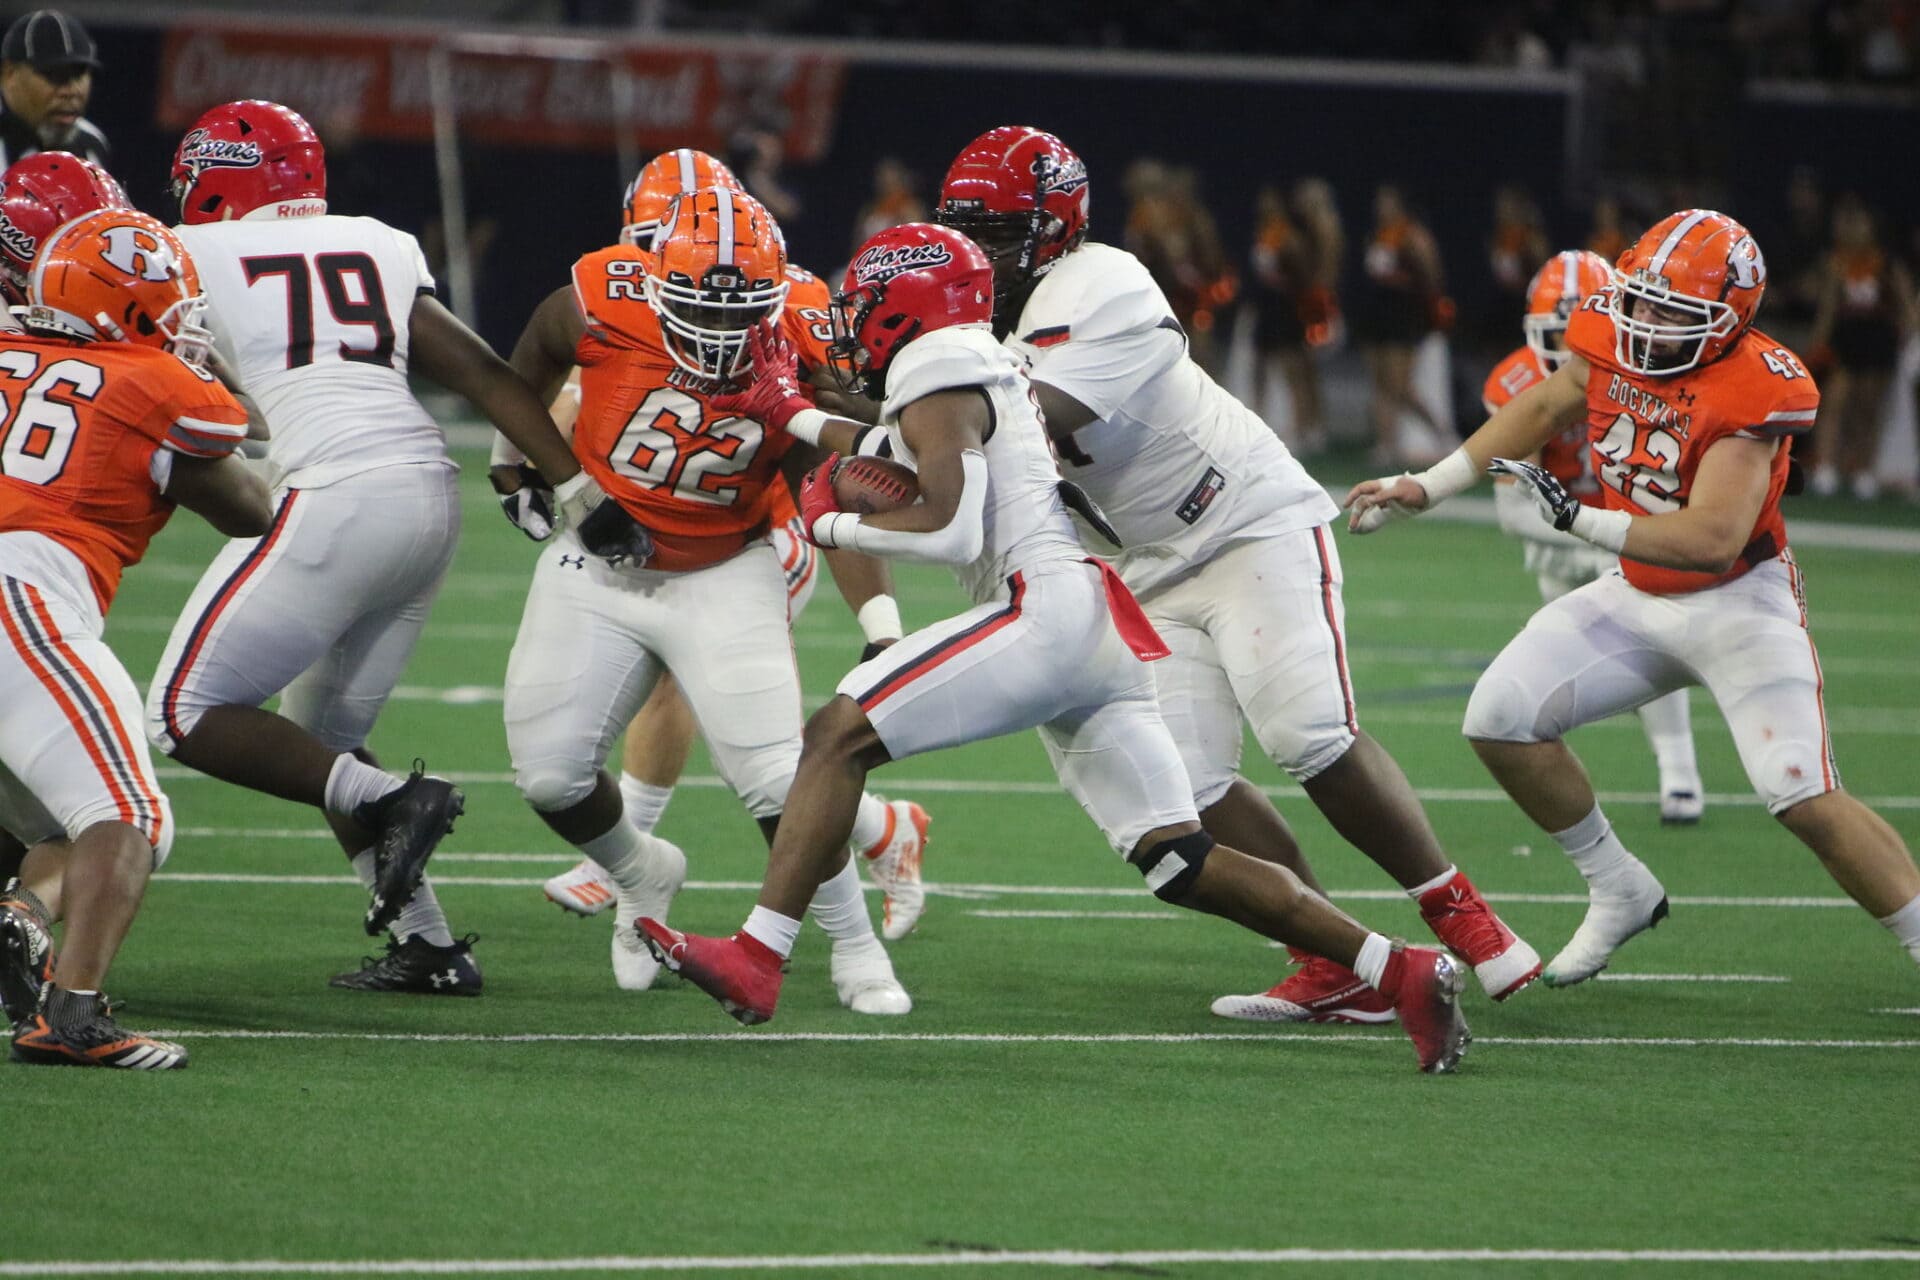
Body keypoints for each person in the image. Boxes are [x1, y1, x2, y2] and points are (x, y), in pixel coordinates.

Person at [640, 223, 1471, 1073]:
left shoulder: (938, 365)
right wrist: (798, 417)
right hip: (1089, 624)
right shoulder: (976, 362)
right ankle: (1399, 969)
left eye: (867, 306)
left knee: (835, 734)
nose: (854, 324)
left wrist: (832, 524)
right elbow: (909, 454)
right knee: (1181, 859)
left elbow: (949, 524)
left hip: (1039, 612)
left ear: (906, 307)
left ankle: (759, 955)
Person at [932, 127, 1537, 1024]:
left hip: (1245, 522)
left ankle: (1461, 912)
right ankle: (1333, 958)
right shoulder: (973, 315)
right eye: (961, 230)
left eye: (993, 232)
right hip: (1144, 566)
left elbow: (1025, 421)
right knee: (1188, 786)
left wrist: (903, 410)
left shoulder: (1102, 283)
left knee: (1311, 736)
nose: (975, 253)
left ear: (1054, 226)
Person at [1349, 208, 1920, 983]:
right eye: (1642, 301)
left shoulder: (1752, 389)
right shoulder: (1607, 331)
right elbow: (1549, 402)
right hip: (1637, 590)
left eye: (1673, 312)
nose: (1647, 323)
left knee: (1800, 792)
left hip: (1737, 598)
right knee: (1499, 718)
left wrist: (1579, 518)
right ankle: (1618, 886)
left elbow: (1712, 538)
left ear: (1729, 320)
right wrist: (1431, 484)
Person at [145, 100, 621, 994]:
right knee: (323, 740)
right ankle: (429, 946)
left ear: (213, 181)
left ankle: (400, 803)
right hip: (426, 497)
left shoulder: (188, 252)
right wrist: (578, 487)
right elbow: (482, 372)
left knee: (180, 712)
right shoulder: (377, 238)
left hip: (337, 493)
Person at [494, 148, 927, 949]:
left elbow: (859, 439)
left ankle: (824, 910)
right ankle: (877, 829)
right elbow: (561, 384)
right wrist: (519, 463)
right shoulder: (611, 297)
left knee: (737, 734)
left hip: (761, 532)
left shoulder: (796, 312)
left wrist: (813, 404)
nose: (713, 307)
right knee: (666, 699)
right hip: (654, 519)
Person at [0, 209, 272, 1068]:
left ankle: (22, 914)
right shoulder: (149, 381)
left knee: (61, 817)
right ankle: (70, 1016)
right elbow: (251, 505)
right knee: (129, 812)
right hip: (19, 594)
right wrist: (227, 388)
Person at [1484, 249, 1703, 824]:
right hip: (1559, 541)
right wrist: (1587, 531)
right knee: (1571, 665)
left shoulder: (1649, 374)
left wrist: (1628, 533)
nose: (1571, 347)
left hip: (1630, 527)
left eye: (1583, 329)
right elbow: (1513, 509)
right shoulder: (1516, 382)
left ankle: (1680, 771)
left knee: (1649, 648)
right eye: (1559, 332)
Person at [1806, 197, 1915, 499]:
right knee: (1836, 403)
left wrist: (1908, 334)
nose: (1853, 229)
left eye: (1859, 223)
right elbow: (1828, 307)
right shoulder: (1836, 262)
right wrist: (1818, 344)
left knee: (1867, 408)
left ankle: (1863, 470)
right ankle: (1826, 466)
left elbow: (1906, 304)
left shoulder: (1887, 263)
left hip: (1878, 341)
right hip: (1847, 339)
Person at [1356, 184, 1446, 465]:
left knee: (1400, 385)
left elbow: (1431, 275)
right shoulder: (1376, 235)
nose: (1382, 207)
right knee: (1379, 382)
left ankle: (1443, 433)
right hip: (1378, 310)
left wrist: (1428, 311)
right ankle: (1386, 444)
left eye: (1388, 202)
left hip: (1402, 312)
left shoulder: (1412, 235)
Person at [1246, 185, 1324, 455]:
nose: (1265, 210)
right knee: (1258, 366)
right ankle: (1255, 421)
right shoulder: (1263, 234)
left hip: (1284, 307)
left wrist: (1302, 305)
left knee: (1293, 369)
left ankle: (1302, 428)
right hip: (1266, 306)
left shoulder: (1289, 237)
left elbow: (1303, 276)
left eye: (1271, 205)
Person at [0, 9, 107, 171]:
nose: (71, 91)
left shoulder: (92, 143)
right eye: (54, 75)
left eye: (79, 75)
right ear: (9, 74)